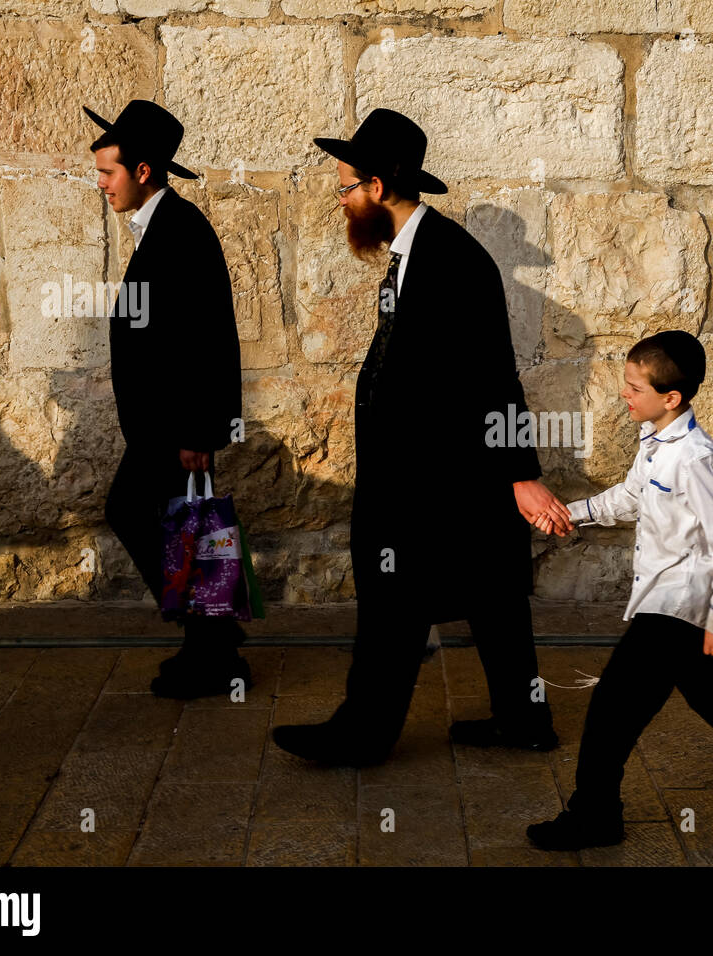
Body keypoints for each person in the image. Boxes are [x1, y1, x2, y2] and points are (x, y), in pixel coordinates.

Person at [272, 108, 574, 766]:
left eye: (347, 187)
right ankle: (524, 721)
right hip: (435, 471)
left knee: (396, 602)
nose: (343, 200)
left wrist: (520, 475)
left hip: (436, 478)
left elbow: (493, 376)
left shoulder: (450, 261)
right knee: (493, 598)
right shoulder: (415, 254)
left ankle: (363, 734)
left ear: (379, 187)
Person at [527, 331, 713, 851]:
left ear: (671, 398)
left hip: (677, 608)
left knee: (610, 713)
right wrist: (568, 515)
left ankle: (595, 816)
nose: (625, 394)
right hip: (664, 600)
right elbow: (631, 496)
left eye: (634, 387)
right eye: (626, 382)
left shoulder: (696, 459)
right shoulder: (655, 440)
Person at [87, 100, 247, 699]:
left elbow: (209, 337)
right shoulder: (159, 227)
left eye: (109, 173)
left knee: (138, 513)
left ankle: (214, 645)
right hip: (161, 425)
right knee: (187, 530)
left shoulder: (181, 231)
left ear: (144, 171)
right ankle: (214, 643)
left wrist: (200, 433)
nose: (101, 184)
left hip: (175, 427)